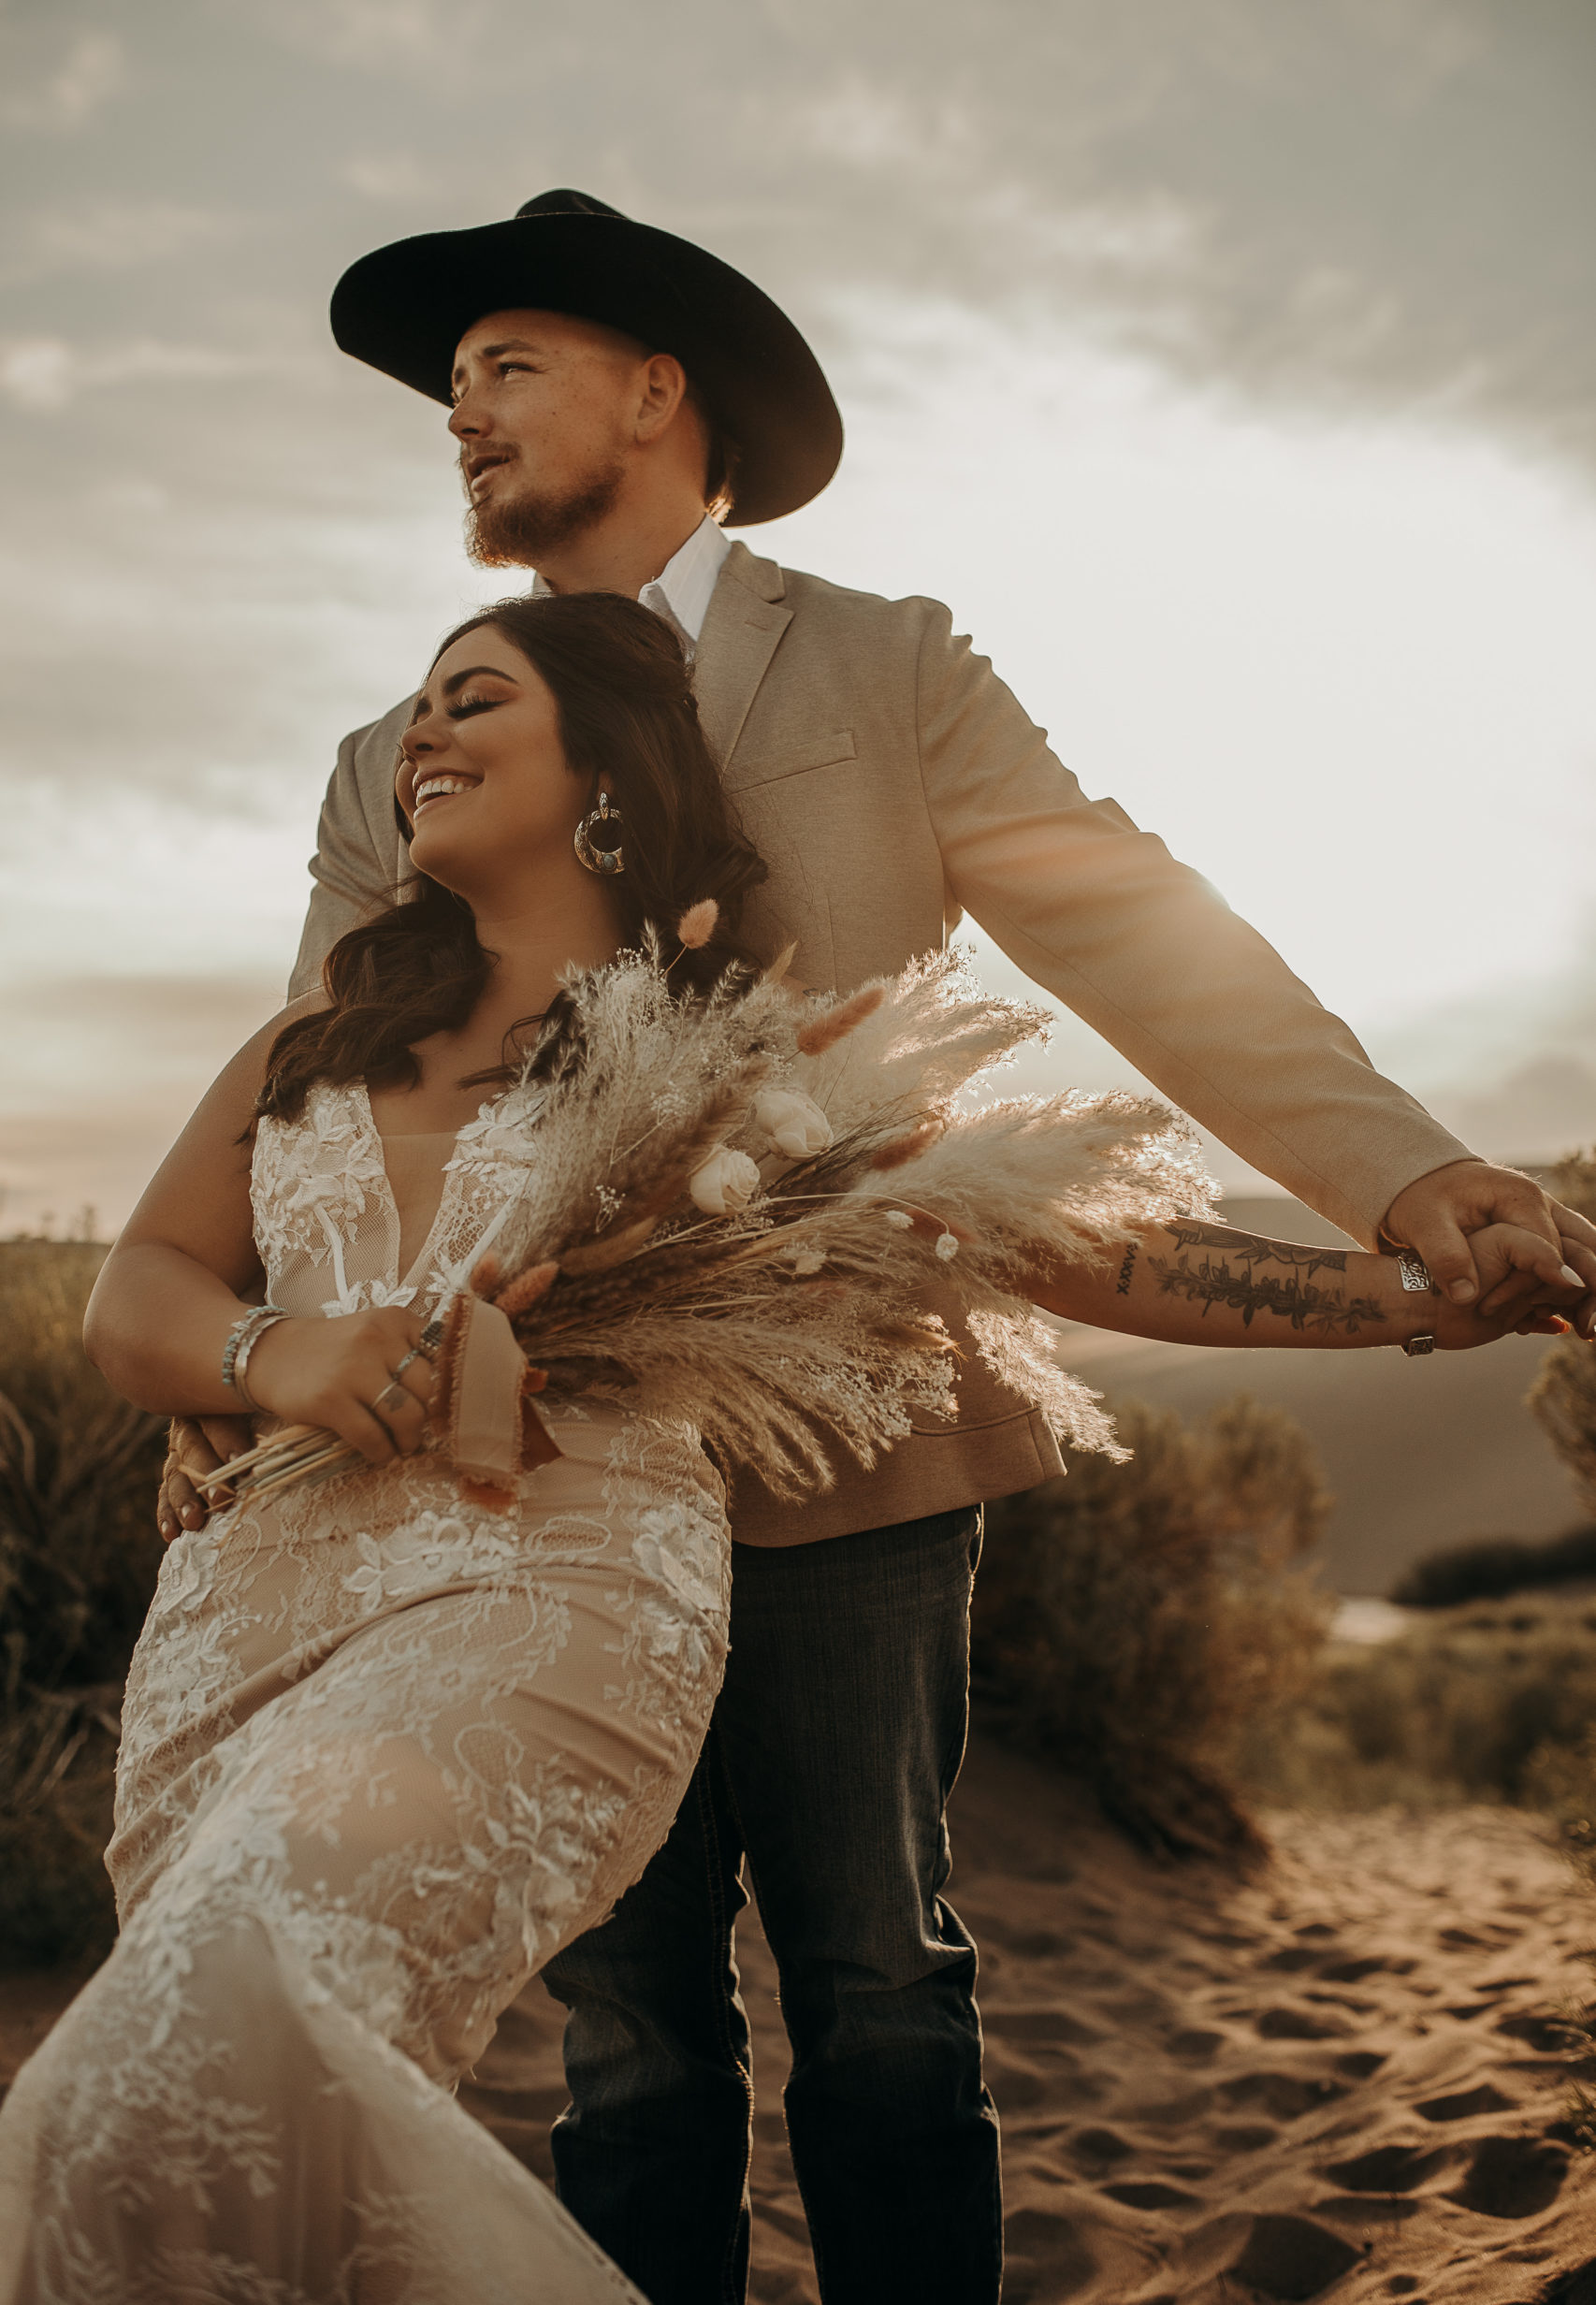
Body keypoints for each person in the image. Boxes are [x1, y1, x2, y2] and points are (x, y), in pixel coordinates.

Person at [156, 191, 1596, 2305]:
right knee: (631, 2051)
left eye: (506, 367)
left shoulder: (883, 663)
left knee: (887, 1998)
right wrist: (255, 1363)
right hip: (523, 1485)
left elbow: (1130, 924)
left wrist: (1398, 1170)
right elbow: (330, 1096)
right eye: (448, 389)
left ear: (658, 390)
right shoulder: (403, 756)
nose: (461, 416)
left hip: (860, 1458)